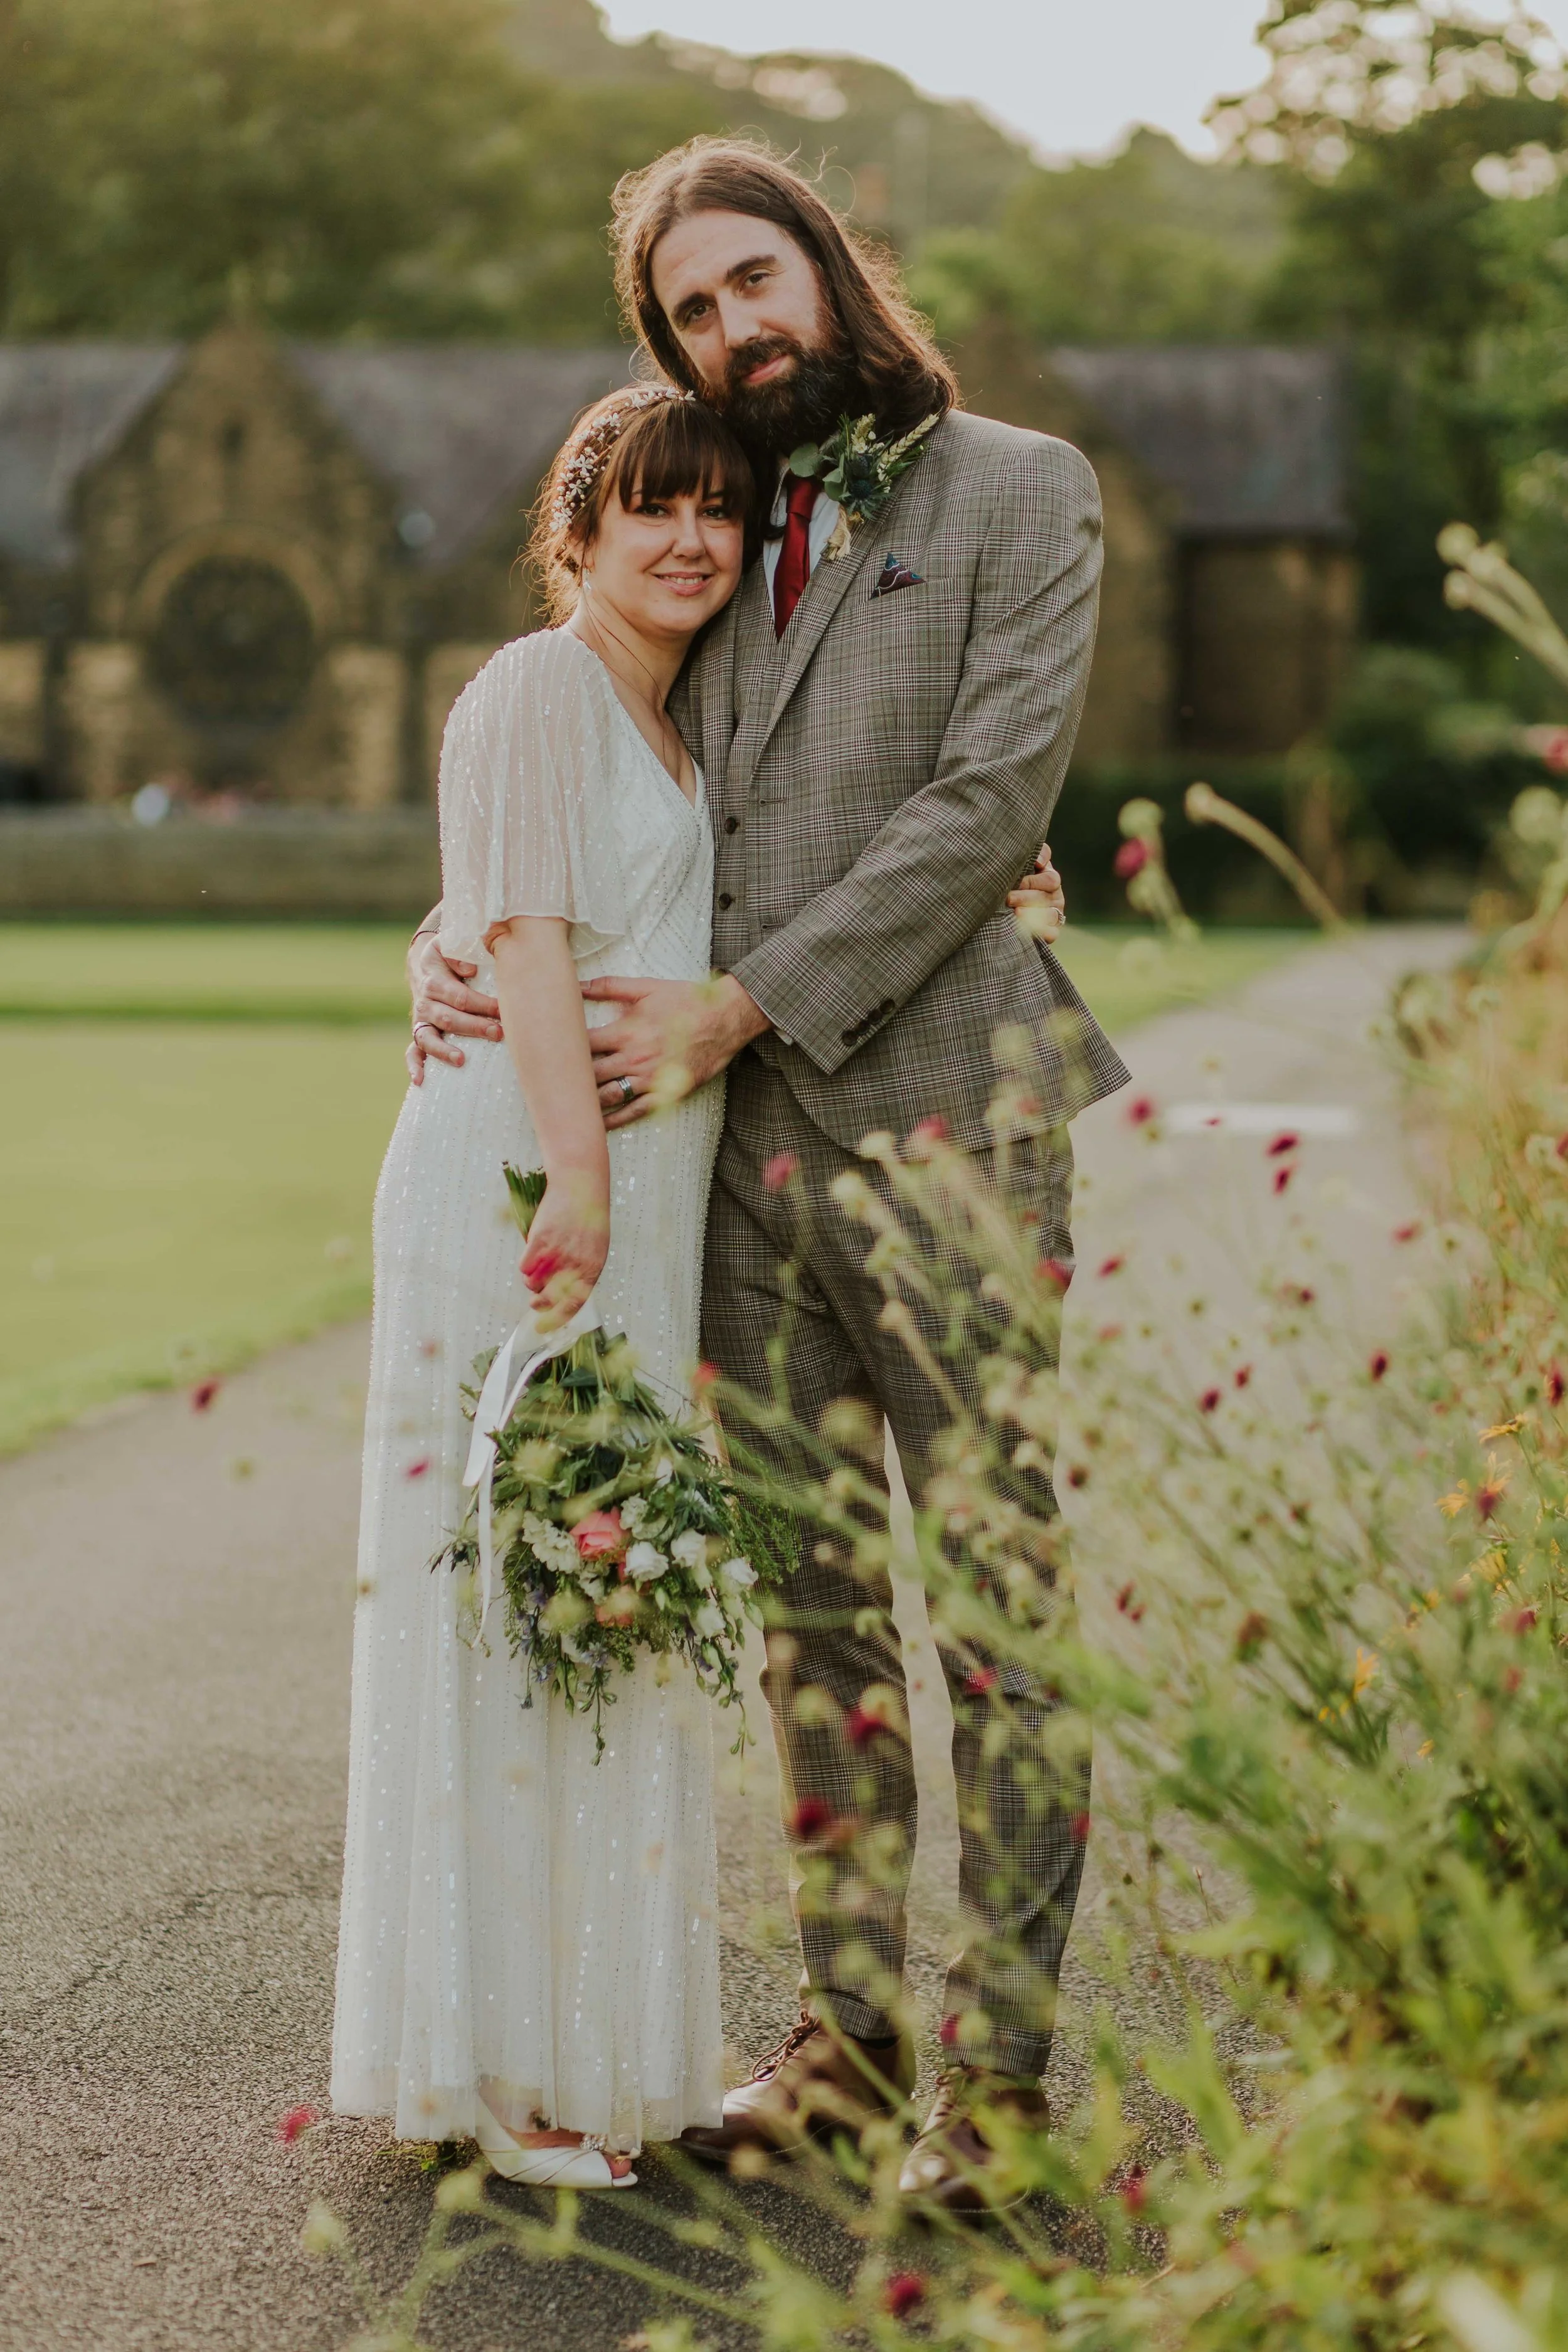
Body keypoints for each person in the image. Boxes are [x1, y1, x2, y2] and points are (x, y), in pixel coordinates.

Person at [405, 137, 1130, 2215]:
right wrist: (446, 939)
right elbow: (575, 767)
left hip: (946, 1126)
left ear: (828, 262)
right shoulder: (703, 520)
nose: (735, 329)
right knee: (810, 1620)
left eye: (754, 280)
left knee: (991, 1606)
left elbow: (992, 792)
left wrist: (736, 1005)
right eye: (692, 314)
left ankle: (990, 2079)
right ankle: (845, 2039)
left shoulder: (1022, 488)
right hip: (728, 1171)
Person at [329, 385, 758, 2187]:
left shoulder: (693, 720)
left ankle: (609, 2037)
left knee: (604, 1592)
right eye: (649, 509)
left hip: (637, 1206)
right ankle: (495, 2064)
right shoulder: (531, 687)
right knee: (509, 1599)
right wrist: (574, 1198)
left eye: (719, 514)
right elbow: (511, 934)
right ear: (571, 530)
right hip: (529, 1192)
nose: (687, 541)